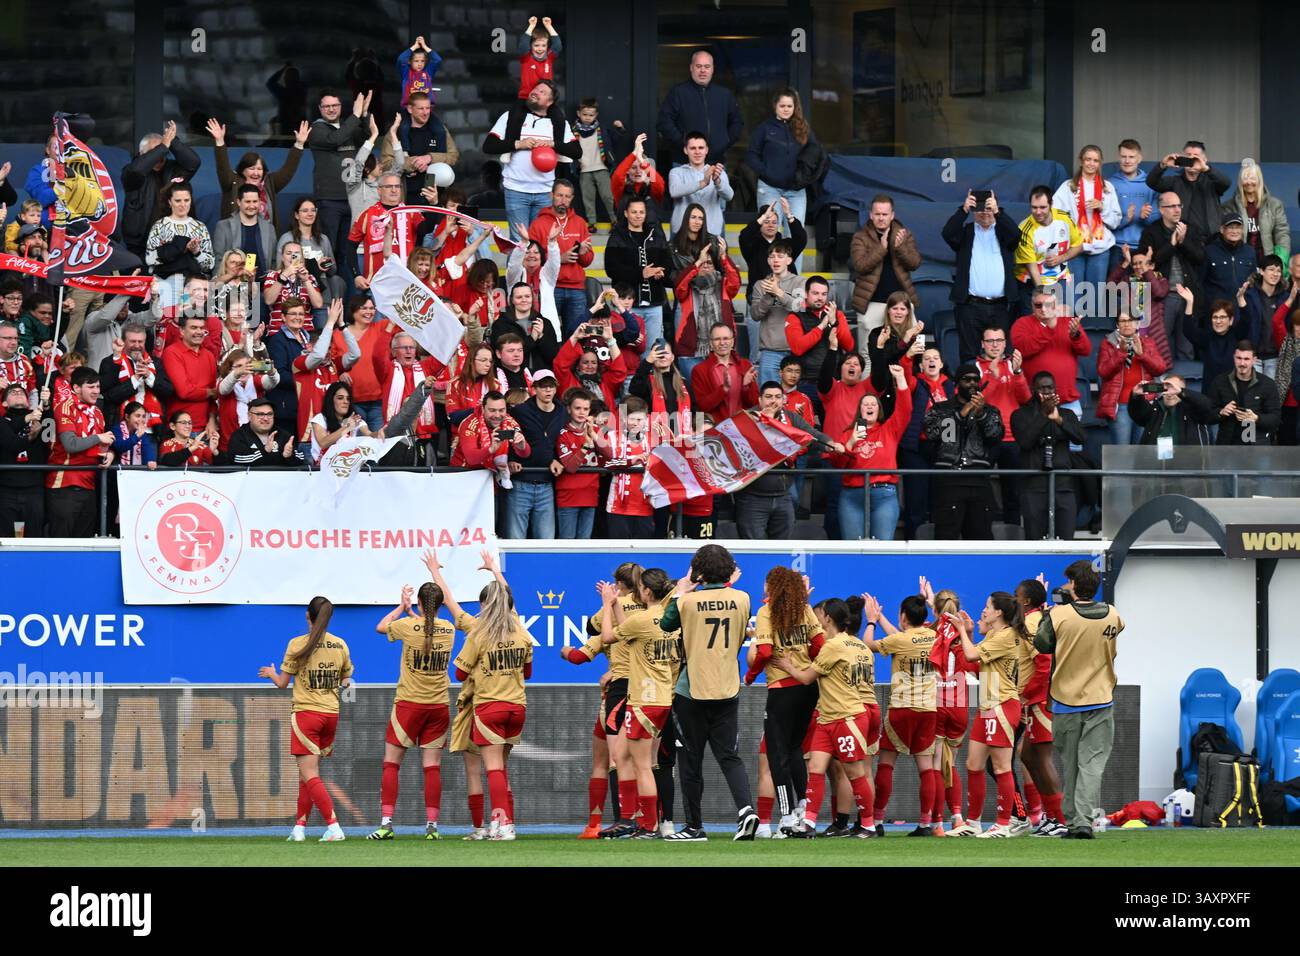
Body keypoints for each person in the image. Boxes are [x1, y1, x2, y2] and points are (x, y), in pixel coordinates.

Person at [432, 548, 532, 842]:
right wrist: (494, 570)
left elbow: (460, 674)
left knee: (490, 770)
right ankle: (504, 824)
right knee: (502, 770)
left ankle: (501, 826)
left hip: (488, 706)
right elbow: (528, 673)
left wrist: (436, 573)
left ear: (483, 604)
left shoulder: (478, 631)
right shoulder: (520, 630)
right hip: (517, 707)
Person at [658, 544, 757, 841]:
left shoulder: (688, 602)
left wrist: (683, 587)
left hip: (693, 689)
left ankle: (694, 826)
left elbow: (666, 623)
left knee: (690, 759)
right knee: (730, 756)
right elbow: (739, 634)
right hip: (727, 686)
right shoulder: (742, 598)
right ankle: (746, 810)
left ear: (698, 570)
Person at [769, 594, 880, 840]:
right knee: (816, 769)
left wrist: (787, 666)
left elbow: (807, 678)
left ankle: (869, 825)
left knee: (854, 772)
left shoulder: (833, 646)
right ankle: (808, 822)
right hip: (829, 718)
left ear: (828, 618)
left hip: (846, 717)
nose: (815, 619)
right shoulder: (859, 645)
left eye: (819, 615)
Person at [1033, 559, 1125, 839]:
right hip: (1101, 698)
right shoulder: (1114, 615)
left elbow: (1042, 644)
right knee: (1092, 764)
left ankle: (1075, 821)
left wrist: (1049, 615)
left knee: (1070, 763)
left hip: (1065, 699)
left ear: (1073, 585)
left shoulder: (1059, 616)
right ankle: (1082, 820)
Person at [366, 574, 456, 841]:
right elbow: (427, 626)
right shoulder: (449, 629)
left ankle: (386, 824)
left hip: (408, 705)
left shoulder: (407, 626)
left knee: (391, 764)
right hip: (438, 706)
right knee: (432, 768)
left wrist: (400, 608)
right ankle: (432, 827)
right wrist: (413, 613)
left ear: (418, 602)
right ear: (439, 605)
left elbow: (381, 627)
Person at [258, 595, 352, 843]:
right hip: (331, 714)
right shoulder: (340, 645)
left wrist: (270, 673)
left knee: (310, 774)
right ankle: (299, 828)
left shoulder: (297, 644)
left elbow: (282, 684)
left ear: (308, 616)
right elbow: (347, 679)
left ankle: (334, 827)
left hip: (307, 714)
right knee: (306, 775)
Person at [597, 568, 680, 839]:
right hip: (661, 698)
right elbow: (628, 632)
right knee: (622, 755)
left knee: (643, 765)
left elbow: (609, 635)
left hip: (644, 700)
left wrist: (607, 605)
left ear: (646, 592)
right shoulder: (669, 620)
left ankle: (648, 825)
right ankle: (631, 819)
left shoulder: (643, 619)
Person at [741, 568, 824, 834]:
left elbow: (764, 651)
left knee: (777, 755)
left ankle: (787, 816)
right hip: (808, 687)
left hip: (782, 688)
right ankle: (801, 805)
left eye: (767, 582)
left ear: (773, 586)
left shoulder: (767, 613)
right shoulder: (804, 608)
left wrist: (751, 675)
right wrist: (806, 664)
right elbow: (819, 644)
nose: (764, 586)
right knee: (794, 749)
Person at [947, 592, 1028, 838]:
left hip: (1003, 705)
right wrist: (968, 635)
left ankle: (1004, 823)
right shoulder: (995, 635)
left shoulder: (1006, 636)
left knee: (1002, 767)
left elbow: (971, 656)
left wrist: (961, 629)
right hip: (988, 705)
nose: (984, 610)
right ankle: (973, 823)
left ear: (999, 612)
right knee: (974, 764)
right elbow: (975, 665)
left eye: (987, 606)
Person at [861, 592, 939, 836]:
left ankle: (877, 819)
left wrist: (872, 621)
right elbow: (902, 637)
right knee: (926, 767)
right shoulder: (933, 636)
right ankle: (926, 823)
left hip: (902, 709)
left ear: (904, 617)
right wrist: (881, 615)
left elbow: (867, 646)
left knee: (886, 764)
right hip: (928, 710)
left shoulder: (901, 640)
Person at [736, 381, 838, 540]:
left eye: (778, 397)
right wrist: (766, 423)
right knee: (754, 551)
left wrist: (830, 444)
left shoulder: (791, 417)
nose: (773, 401)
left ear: (783, 400)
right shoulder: (746, 418)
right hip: (753, 498)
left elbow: (811, 434)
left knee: (782, 549)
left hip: (783, 496)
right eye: (768, 397)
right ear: (760, 400)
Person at [482, 79, 582, 240]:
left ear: (549, 101)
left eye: (542, 92)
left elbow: (576, 152)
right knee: (519, 243)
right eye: (535, 89)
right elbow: (488, 146)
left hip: (545, 192)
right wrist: (518, 144)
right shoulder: (511, 116)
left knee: (540, 241)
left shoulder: (559, 123)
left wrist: (553, 144)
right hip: (515, 190)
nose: (535, 92)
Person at [923, 362, 1004, 539]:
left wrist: (981, 414)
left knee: (980, 538)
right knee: (946, 537)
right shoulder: (941, 408)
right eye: (967, 380)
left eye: (976, 380)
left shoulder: (990, 411)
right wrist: (962, 414)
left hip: (979, 479)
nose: (972, 384)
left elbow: (995, 436)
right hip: (949, 480)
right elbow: (942, 437)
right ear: (956, 384)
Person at [1013, 577, 1068, 838]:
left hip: (1042, 700)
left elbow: (1044, 662)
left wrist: (1027, 694)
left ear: (1025, 601)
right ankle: (1050, 815)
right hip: (1036, 701)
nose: (1014, 600)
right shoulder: (1034, 619)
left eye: (1017, 595)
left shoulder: (1032, 622)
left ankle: (1059, 819)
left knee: (1041, 757)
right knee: (1027, 755)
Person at [833, 364, 911, 540]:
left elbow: (905, 410)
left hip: (883, 493)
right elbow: (837, 464)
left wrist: (900, 378)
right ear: (860, 410)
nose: (869, 406)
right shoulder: (847, 434)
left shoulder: (889, 430)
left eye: (873, 404)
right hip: (852, 496)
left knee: (882, 549)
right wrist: (852, 441)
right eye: (865, 404)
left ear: (878, 409)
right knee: (852, 549)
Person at [944, 189, 1020, 363]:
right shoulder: (966, 233)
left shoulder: (1003, 232)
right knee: (969, 356)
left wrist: (997, 212)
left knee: (1001, 356)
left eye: (988, 208)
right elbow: (947, 233)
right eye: (979, 207)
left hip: (1000, 306)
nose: (984, 212)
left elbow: (1016, 235)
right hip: (970, 306)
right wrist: (963, 210)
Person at [1012, 371, 1086, 540]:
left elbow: (1081, 438)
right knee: (1035, 540)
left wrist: (1059, 421)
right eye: (1042, 388)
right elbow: (1025, 441)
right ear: (1033, 389)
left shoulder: (1067, 414)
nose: (1047, 392)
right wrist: (1044, 416)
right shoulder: (1020, 415)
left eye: (1050, 388)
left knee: (1066, 540)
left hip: (1063, 485)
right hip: (1033, 486)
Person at [307, 89, 369, 288]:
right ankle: (324, 294)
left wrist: (364, 115)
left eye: (335, 105)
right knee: (329, 250)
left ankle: (346, 299)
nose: (331, 109)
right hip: (329, 200)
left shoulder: (348, 126)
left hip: (352, 198)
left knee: (345, 252)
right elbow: (335, 139)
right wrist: (356, 116)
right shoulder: (316, 129)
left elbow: (366, 136)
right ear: (320, 109)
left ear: (341, 107)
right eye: (327, 106)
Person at [206, 116, 307, 235]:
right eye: (251, 168)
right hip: (236, 238)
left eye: (260, 169)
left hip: (264, 237)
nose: (256, 172)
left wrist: (299, 144)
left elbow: (288, 170)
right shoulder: (232, 181)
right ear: (242, 170)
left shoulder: (269, 182)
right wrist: (220, 142)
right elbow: (222, 167)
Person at [850, 195, 921, 354]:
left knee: (911, 350)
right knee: (867, 354)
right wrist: (881, 248)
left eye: (885, 214)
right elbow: (860, 266)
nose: (881, 218)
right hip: (871, 303)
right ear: (871, 215)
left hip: (901, 304)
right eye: (877, 214)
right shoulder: (860, 237)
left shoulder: (904, 235)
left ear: (892, 215)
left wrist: (901, 248)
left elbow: (914, 263)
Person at [121, 121, 201, 262]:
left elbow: (193, 162)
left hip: (173, 243)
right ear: (141, 154)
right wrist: (163, 147)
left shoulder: (174, 169)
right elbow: (136, 170)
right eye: (154, 152)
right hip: (140, 245)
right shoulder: (131, 172)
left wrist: (173, 142)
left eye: (163, 152)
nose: (159, 157)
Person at [1139, 191, 1206, 361]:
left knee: (1187, 346)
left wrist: (1183, 242)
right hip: (1163, 297)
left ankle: (1185, 385)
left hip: (1187, 296)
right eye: (1172, 206)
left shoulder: (1190, 229)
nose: (1177, 210)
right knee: (1161, 346)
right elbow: (1150, 263)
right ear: (1161, 210)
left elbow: (1200, 258)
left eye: (1179, 206)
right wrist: (1172, 243)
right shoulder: (1151, 232)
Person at [45, 367, 112, 537]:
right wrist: (98, 438)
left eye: (97, 387)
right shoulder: (65, 407)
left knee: (84, 543)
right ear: (76, 388)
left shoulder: (97, 412)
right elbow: (71, 445)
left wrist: (109, 455)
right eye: (91, 387)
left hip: (89, 486)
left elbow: (100, 446)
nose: (96, 391)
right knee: (61, 544)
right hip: (65, 485)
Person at [747, 89, 815, 251]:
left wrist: (805, 176)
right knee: (769, 233)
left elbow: (815, 154)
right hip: (770, 189)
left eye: (789, 106)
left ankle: (792, 276)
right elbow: (751, 155)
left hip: (796, 192)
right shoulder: (764, 128)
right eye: (782, 105)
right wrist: (766, 172)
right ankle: (769, 276)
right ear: (775, 106)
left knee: (795, 236)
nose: (786, 109)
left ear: (794, 107)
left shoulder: (803, 128)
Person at [1011, 289, 1092, 421]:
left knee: (1074, 440)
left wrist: (1076, 336)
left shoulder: (1068, 322)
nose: (1043, 309)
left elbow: (1086, 350)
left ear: (1056, 305)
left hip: (1067, 401)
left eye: (1048, 305)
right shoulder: (1022, 323)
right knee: (1035, 441)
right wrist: (1050, 327)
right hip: (1035, 403)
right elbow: (1023, 348)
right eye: (1038, 305)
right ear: (1032, 305)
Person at [527, 179, 594, 337]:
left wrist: (583, 253)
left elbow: (587, 261)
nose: (563, 200)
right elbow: (530, 258)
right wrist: (558, 258)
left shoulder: (580, 223)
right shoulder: (539, 223)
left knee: (577, 335)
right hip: (550, 287)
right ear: (552, 195)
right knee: (547, 334)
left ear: (572, 198)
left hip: (576, 288)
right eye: (559, 195)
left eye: (567, 196)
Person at [976, 327, 1028, 527]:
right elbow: (978, 403)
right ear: (983, 343)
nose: (995, 344)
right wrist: (994, 377)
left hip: (1012, 437)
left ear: (1006, 343)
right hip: (985, 437)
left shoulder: (1013, 364)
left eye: (999, 340)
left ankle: (1013, 536)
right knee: (980, 490)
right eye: (990, 341)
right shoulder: (976, 367)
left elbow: (1025, 399)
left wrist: (1018, 372)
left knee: (1013, 493)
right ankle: (982, 534)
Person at [603, 196, 672, 348]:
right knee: (627, 347)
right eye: (634, 212)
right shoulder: (617, 237)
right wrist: (641, 274)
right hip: (627, 304)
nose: (638, 215)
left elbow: (668, 264)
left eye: (641, 212)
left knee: (653, 348)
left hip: (654, 304)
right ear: (626, 213)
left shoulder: (657, 235)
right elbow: (611, 269)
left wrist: (661, 273)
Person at [1052, 145, 1120, 296]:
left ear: (1100, 163)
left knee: (1094, 296)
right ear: (1081, 161)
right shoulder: (1068, 186)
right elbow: (1055, 216)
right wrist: (1069, 225)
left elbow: (1115, 221)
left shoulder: (1107, 188)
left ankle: (1092, 321)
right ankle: (1075, 320)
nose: (1091, 163)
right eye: (1088, 159)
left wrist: (1102, 207)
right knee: (1073, 294)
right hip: (1075, 247)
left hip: (1100, 248)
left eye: (1095, 160)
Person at [673, 226, 740, 381]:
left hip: (721, 350)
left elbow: (735, 282)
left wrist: (723, 257)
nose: (706, 265)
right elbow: (678, 288)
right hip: (691, 351)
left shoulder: (723, 284)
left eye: (710, 262)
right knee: (694, 397)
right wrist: (697, 263)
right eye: (703, 263)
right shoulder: (688, 286)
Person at [656, 48, 743, 166]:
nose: (703, 70)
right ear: (691, 68)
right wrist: (684, 143)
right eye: (698, 66)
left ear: (713, 69)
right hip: (684, 164)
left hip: (716, 164)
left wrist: (725, 142)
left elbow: (737, 122)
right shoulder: (678, 92)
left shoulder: (724, 94)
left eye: (707, 66)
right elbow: (663, 122)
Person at [504, 370, 561, 538]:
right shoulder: (520, 411)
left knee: (546, 541)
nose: (548, 390)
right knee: (515, 539)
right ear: (534, 388)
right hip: (521, 481)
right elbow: (508, 435)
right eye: (543, 387)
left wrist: (558, 460)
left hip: (546, 483)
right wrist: (510, 460)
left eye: (551, 386)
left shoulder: (562, 411)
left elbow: (564, 439)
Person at [1097, 312, 1168, 446]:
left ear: (1137, 324)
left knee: (1141, 451)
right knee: (1122, 452)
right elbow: (1103, 372)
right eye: (1122, 321)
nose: (1127, 324)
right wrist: (1121, 353)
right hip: (1121, 405)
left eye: (1130, 320)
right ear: (1117, 324)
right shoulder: (1108, 343)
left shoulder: (1148, 342)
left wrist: (1142, 354)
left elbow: (1160, 369)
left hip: (1145, 403)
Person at [784, 276, 854, 405]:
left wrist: (834, 323)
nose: (820, 298)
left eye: (824, 294)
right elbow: (798, 348)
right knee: (805, 424)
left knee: (832, 425)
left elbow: (849, 346)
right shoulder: (794, 317)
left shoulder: (837, 315)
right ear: (806, 294)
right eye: (815, 293)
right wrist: (822, 326)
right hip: (807, 382)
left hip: (834, 382)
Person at [1014, 185, 1081, 316]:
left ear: (1051, 204)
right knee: (1036, 323)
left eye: (1043, 207)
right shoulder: (1024, 229)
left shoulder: (1065, 218)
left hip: (1059, 279)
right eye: (1034, 207)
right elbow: (1032, 269)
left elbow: (1078, 246)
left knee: (1063, 321)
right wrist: (1044, 298)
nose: (1038, 212)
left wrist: (1062, 258)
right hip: (1032, 283)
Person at [1144, 140, 1231, 239]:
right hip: (1184, 238)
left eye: (1196, 156)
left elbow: (1226, 183)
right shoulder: (1175, 182)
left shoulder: (1211, 182)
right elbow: (1151, 182)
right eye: (1188, 155)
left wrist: (1206, 169)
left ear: (1204, 160)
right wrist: (1163, 165)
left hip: (1212, 238)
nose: (1192, 158)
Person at [331, 296, 392, 432]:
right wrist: (340, 373)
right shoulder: (338, 334)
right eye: (364, 308)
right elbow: (331, 362)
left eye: (371, 308)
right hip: (351, 400)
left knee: (378, 443)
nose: (369, 312)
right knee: (356, 445)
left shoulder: (381, 326)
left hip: (378, 399)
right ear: (352, 310)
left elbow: (401, 322)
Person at [1107, 244, 1174, 368]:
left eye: (1142, 263)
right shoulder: (1128, 281)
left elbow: (1159, 293)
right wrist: (1126, 262)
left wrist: (1146, 271)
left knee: (1156, 368)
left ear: (1152, 266)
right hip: (1131, 332)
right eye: (1135, 263)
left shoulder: (1161, 281)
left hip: (1154, 333)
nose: (1138, 266)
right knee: (1133, 369)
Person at [1202, 341, 1280, 445]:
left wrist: (1256, 418)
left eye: (1246, 359)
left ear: (1254, 360)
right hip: (1227, 444)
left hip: (1257, 446)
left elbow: (1275, 419)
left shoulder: (1267, 384)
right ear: (1234, 358)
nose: (1242, 363)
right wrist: (1221, 412)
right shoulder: (1220, 381)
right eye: (1239, 358)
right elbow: (1207, 415)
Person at [451, 391, 529, 489]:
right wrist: (491, 449)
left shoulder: (509, 421)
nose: (497, 415)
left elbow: (525, 454)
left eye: (501, 410)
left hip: (491, 481)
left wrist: (522, 445)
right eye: (492, 410)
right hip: (464, 478)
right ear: (483, 409)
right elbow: (471, 458)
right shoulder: (470, 423)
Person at [393, 92, 459, 206]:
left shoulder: (440, 131)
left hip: (436, 195)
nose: (425, 112)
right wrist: (414, 164)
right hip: (407, 196)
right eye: (421, 108)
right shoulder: (396, 131)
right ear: (410, 109)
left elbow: (453, 156)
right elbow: (386, 163)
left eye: (428, 108)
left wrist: (429, 158)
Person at [0, 383, 49, 536]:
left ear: (28, 401)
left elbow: (51, 432)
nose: (18, 393)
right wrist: (28, 420)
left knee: (33, 536)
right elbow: (10, 442)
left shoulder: (38, 418)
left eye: (21, 392)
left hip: (34, 488)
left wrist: (46, 405)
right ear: (4, 403)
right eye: (12, 392)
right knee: (6, 537)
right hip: (6, 488)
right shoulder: (2, 421)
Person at [276, 197, 344, 306]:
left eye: (313, 210)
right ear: (296, 215)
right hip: (295, 291)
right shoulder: (287, 238)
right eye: (305, 210)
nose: (310, 213)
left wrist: (327, 264)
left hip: (320, 291)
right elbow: (280, 268)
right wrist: (314, 265)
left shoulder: (323, 239)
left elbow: (333, 270)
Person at [162, 315, 219, 443]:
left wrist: (211, 419)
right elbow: (184, 391)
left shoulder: (209, 355)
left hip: (205, 429)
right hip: (179, 430)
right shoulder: (171, 352)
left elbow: (213, 397)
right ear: (182, 331)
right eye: (193, 327)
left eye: (202, 328)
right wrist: (209, 392)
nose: (199, 332)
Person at [1222, 160, 1289, 265]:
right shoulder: (1229, 206)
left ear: (1259, 180)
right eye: (1245, 178)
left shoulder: (1274, 205)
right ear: (1240, 181)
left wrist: (1280, 259)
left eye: (1253, 178)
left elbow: (1282, 233)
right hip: (1241, 261)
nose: (1249, 182)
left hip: (1267, 260)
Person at [667, 132, 732, 238]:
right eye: (692, 148)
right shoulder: (676, 171)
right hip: (682, 231)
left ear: (706, 150)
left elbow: (729, 196)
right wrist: (703, 183)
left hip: (711, 230)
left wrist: (717, 182)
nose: (697, 152)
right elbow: (674, 192)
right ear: (685, 150)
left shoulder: (718, 172)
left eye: (701, 148)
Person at [215, 349, 279, 456]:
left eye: (247, 365)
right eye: (239, 366)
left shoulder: (255, 381)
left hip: (257, 446)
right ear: (230, 368)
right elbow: (223, 389)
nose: (244, 370)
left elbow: (271, 382)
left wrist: (272, 373)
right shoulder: (225, 383)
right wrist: (237, 373)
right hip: (229, 446)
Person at [572, 97, 624, 228]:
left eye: (591, 115)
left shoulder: (602, 129)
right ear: (578, 113)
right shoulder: (573, 131)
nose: (588, 118)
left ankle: (614, 220)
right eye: (584, 114)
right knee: (587, 198)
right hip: (584, 170)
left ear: (596, 115)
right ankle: (591, 223)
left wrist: (620, 128)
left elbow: (615, 140)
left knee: (608, 196)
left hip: (601, 167)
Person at [145, 182, 214, 280]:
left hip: (194, 286)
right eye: (178, 201)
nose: (183, 205)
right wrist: (171, 249)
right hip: (165, 283)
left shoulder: (200, 227)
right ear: (169, 202)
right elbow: (149, 260)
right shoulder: (159, 226)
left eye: (186, 200)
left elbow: (210, 265)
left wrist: (196, 252)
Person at [1108, 139, 1157, 272]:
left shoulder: (1150, 183)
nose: (1127, 161)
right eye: (1123, 156)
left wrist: (1144, 217)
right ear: (1119, 158)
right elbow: (1106, 220)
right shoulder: (1110, 184)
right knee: (1115, 289)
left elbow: (1158, 218)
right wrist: (1126, 219)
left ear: (1139, 158)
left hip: (1143, 247)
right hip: (1117, 247)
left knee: (1141, 291)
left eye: (1131, 157)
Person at [690, 324, 755, 423]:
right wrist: (723, 389)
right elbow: (702, 406)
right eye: (717, 339)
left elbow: (754, 403)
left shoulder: (745, 365)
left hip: (741, 426)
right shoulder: (699, 370)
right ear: (711, 343)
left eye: (726, 338)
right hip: (713, 428)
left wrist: (745, 387)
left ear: (732, 341)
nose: (722, 343)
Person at [1127, 374, 1211, 447]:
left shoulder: (1193, 407)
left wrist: (1181, 392)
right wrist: (1136, 396)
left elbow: (1207, 406)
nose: (1169, 393)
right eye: (1166, 389)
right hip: (1155, 462)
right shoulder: (1157, 406)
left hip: (1186, 461)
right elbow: (1139, 417)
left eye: (1174, 389)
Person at [1239, 255, 1287, 378]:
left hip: (1275, 356)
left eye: (1278, 271)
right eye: (1271, 269)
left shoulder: (1285, 298)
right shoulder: (1249, 295)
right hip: (1254, 355)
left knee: (1271, 394)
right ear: (1261, 271)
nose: (1275, 274)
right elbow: (1242, 325)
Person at [1203, 213, 1260, 314]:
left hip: (1243, 309)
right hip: (1217, 311)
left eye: (1238, 227)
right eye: (1231, 227)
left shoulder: (1250, 251)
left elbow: (1254, 282)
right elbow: (1200, 281)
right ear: (1222, 229)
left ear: (1242, 230)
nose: (1235, 231)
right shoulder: (1209, 251)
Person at [224, 396, 298, 466]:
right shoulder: (239, 436)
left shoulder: (283, 435)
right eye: (260, 414)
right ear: (249, 416)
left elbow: (300, 459)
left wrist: (289, 456)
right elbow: (238, 459)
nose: (265, 418)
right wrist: (264, 451)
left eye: (269, 414)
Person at [611, 133, 667, 224]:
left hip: (652, 235)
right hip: (625, 235)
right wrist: (634, 153)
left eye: (642, 167)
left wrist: (641, 159)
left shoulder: (652, 190)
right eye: (633, 168)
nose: (638, 171)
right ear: (627, 171)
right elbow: (617, 176)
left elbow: (659, 183)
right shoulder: (621, 191)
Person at [517, 16, 563, 99]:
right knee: (514, 112)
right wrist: (531, 26)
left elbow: (558, 46)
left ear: (547, 46)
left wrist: (549, 26)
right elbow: (523, 46)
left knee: (558, 112)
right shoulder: (526, 57)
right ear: (530, 46)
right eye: (536, 45)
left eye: (543, 45)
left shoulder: (549, 57)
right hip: (526, 98)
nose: (540, 49)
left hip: (545, 99)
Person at [110, 400, 159, 470]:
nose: (141, 420)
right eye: (137, 416)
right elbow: (119, 447)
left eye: (143, 416)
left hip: (134, 475)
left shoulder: (142, 433)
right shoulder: (116, 429)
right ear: (127, 417)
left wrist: (150, 460)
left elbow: (147, 448)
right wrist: (136, 437)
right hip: (117, 473)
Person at [398, 35, 441, 108]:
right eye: (416, 61)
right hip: (410, 109)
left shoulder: (428, 72)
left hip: (426, 109)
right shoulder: (406, 72)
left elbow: (437, 60)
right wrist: (414, 46)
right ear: (409, 61)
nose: (420, 64)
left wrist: (424, 46)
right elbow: (401, 59)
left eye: (422, 61)